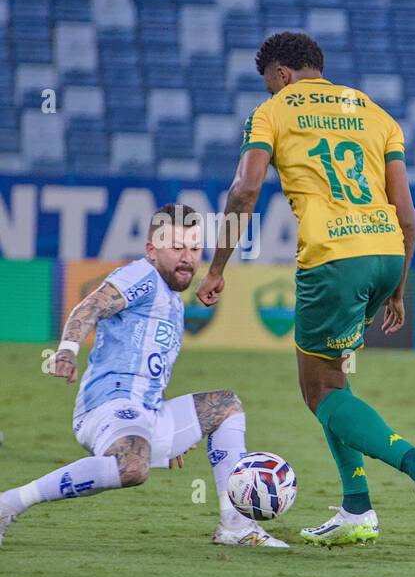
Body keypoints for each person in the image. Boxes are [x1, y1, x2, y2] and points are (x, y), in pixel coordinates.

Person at [195, 32, 415, 548]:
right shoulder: (377, 114)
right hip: (385, 253)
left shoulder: (271, 112)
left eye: (269, 81)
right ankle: (357, 509)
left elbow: (245, 190)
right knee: (333, 380)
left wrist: (217, 266)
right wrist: (397, 287)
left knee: (318, 392)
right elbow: (407, 213)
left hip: (333, 258)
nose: (271, 89)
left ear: (281, 75)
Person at [0, 205, 286, 548]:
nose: (187, 258)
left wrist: (163, 433)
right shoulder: (142, 276)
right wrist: (67, 351)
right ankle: (9, 503)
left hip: (146, 412)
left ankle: (236, 526)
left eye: (195, 249)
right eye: (176, 247)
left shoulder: (172, 299)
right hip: (108, 404)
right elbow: (89, 307)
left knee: (225, 406)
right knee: (131, 468)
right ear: (152, 250)